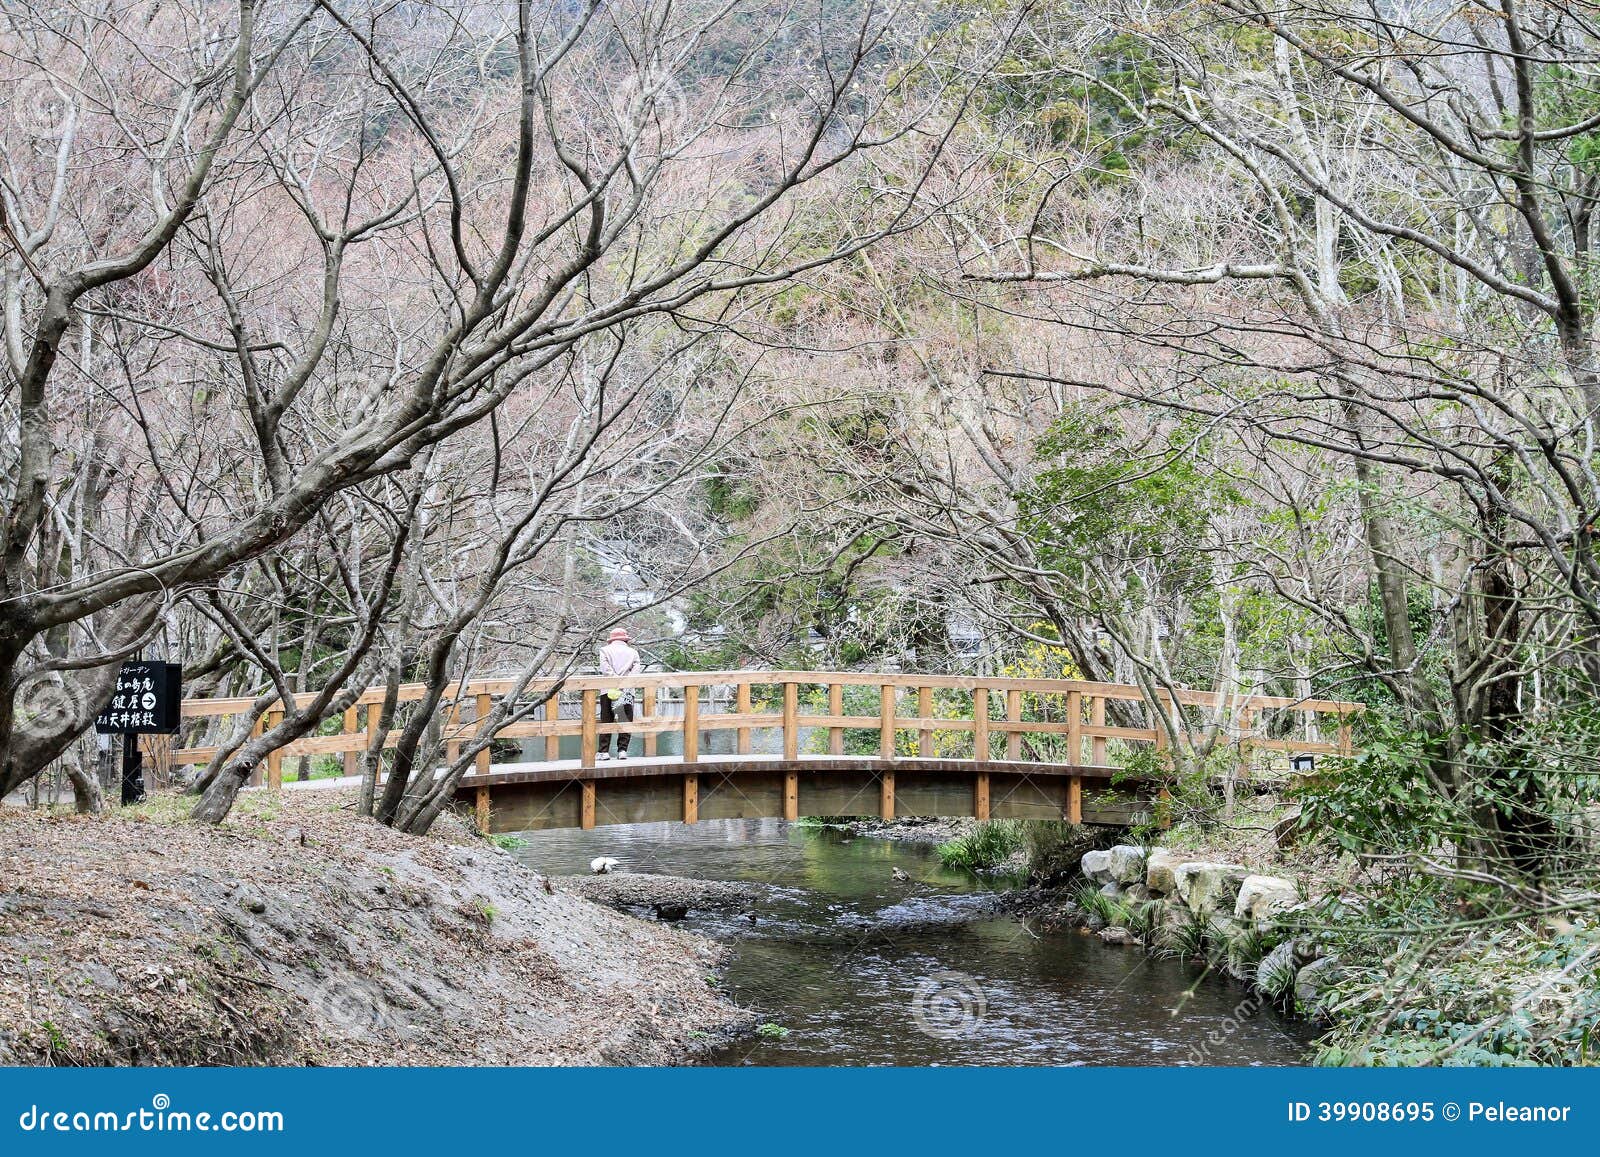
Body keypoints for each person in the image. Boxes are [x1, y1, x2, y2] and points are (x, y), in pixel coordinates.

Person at [597, 627, 642, 760]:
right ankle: (622, 750)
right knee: (625, 719)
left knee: (607, 718)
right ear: (625, 639)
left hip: (608, 689)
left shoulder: (604, 650)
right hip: (627, 690)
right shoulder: (633, 652)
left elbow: (605, 669)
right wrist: (624, 683)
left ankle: (604, 752)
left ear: (611, 639)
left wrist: (615, 680)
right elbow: (636, 670)